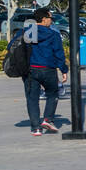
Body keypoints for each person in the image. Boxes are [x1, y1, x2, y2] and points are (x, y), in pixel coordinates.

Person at [23, 7, 68, 136]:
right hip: (48, 69)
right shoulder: (53, 34)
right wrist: (63, 69)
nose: (52, 21)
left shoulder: (28, 32)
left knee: (32, 98)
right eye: (50, 18)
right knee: (53, 93)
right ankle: (48, 119)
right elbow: (58, 53)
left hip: (31, 69)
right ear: (43, 19)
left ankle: (36, 128)